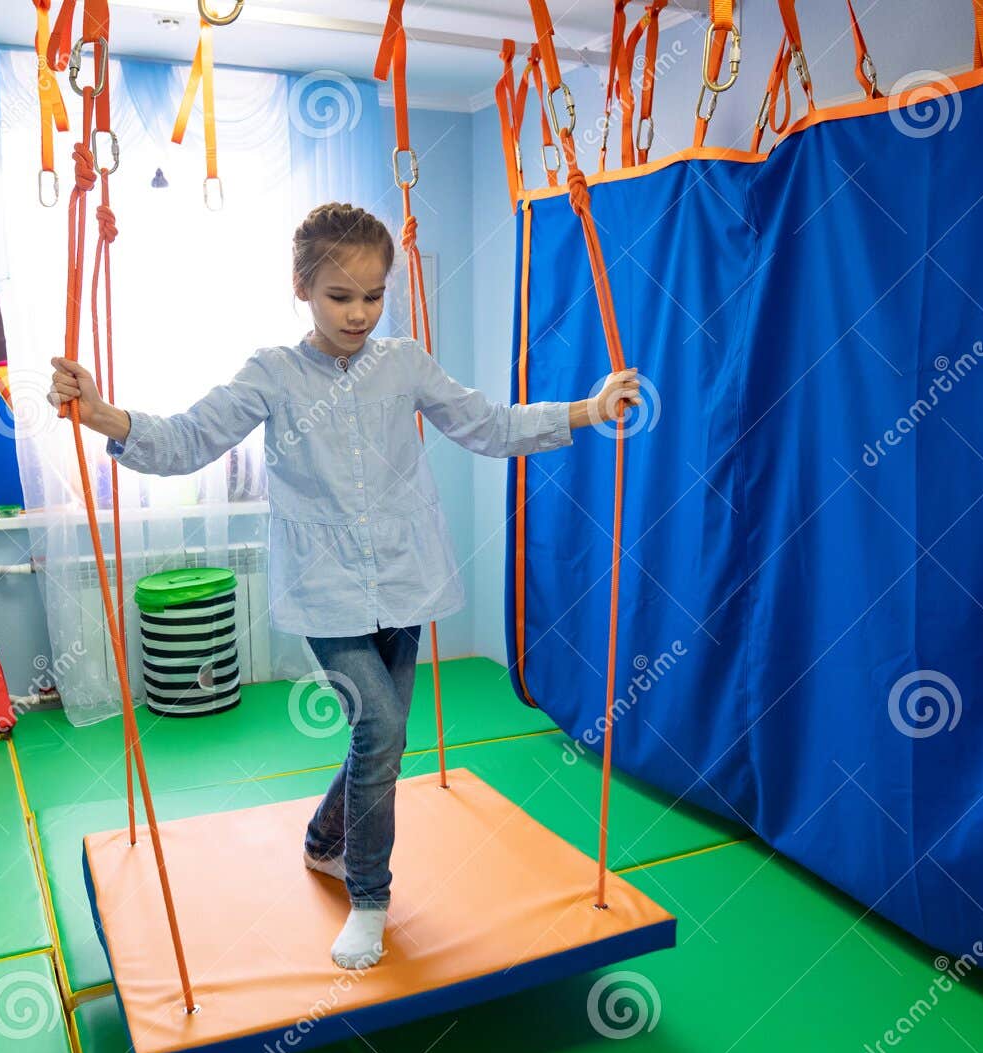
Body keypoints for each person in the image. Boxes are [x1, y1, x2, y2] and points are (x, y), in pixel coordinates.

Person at [49, 201, 641, 970]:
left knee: (379, 740)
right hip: (327, 589)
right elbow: (190, 437)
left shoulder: (405, 363)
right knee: (382, 730)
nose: (359, 312)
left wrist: (588, 409)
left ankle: (326, 838)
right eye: (340, 296)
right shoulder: (273, 373)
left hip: (406, 579)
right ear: (301, 287)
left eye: (373, 294)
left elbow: (488, 425)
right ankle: (370, 896)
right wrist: (102, 413)